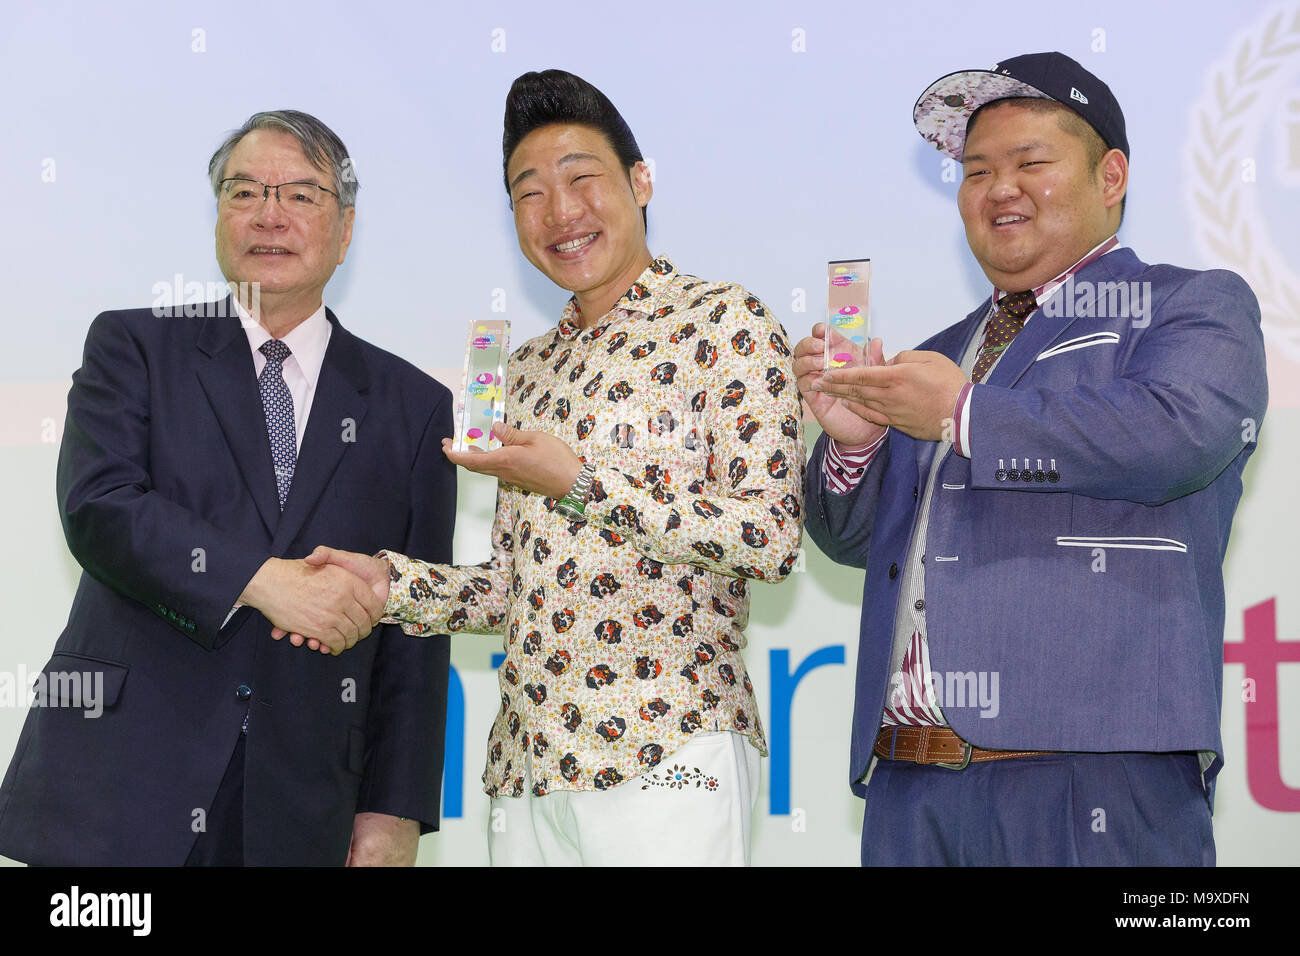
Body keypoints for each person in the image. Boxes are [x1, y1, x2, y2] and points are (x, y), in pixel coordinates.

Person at [297, 70, 805, 866]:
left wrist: (581, 480)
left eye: (582, 179)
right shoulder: (526, 370)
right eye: (529, 193)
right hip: (527, 766)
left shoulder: (726, 322)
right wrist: (389, 585)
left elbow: (771, 538)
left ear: (640, 182)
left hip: (666, 751)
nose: (560, 212)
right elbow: (514, 585)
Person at [797, 52, 1267, 865]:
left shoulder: (1190, 305)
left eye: (1030, 163)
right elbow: (852, 543)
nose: (997, 188)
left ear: (1111, 175)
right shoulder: (939, 355)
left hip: (1092, 776)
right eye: (976, 171)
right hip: (911, 785)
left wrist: (963, 413)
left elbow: (1174, 435)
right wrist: (855, 442)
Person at [0, 110, 455, 866]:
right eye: (245, 192)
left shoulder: (411, 405)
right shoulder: (133, 345)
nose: (269, 214)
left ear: (345, 232)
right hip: (120, 778)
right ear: (218, 218)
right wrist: (261, 582)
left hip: (302, 801)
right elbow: (99, 506)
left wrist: (393, 811)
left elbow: (417, 624)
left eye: (301, 195)